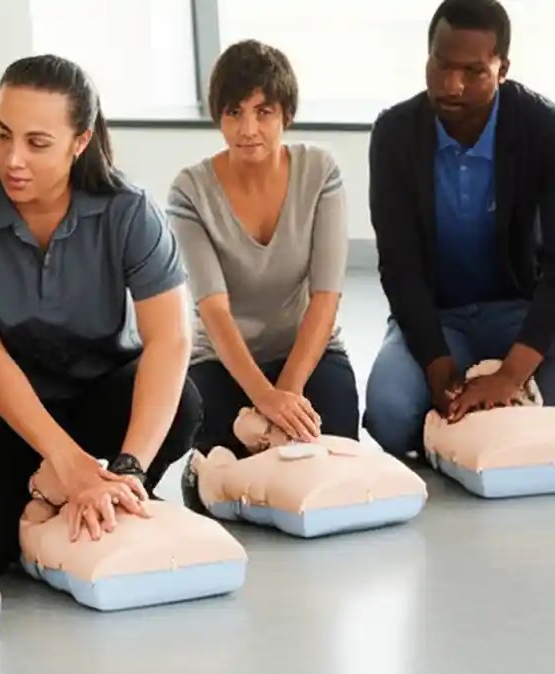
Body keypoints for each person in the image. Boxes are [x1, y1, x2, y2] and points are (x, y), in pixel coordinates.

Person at [0, 54, 202, 579]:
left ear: (80, 141)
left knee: (182, 403)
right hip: (7, 406)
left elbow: (170, 341)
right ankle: (51, 486)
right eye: (2, 135)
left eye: (37, 142)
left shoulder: (129, 209)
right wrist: (67, 465)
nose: (13, 159)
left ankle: (114, 490)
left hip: (100, 394)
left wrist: (127, 466)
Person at [364, 0, 555, 457]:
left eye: (473, 72)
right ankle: (478, 430)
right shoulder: (394, 134)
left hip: (521, 312)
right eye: (441, 65)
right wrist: (435, 362)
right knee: (389, 415)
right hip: (438, 317)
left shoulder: (542, 129)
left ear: (502, 68)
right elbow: (399, 266)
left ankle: (492, 423)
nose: (452, 85)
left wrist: (510, 376)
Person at [167, 39, 357, 460]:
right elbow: (212, 311)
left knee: (335, 444)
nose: (247, 129)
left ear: (286, 115)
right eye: (234, 112)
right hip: (222, 361)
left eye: (263, 112)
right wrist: (265, 399)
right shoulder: (190, 190)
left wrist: (286, 393)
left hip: (306, 351)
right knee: (225, 456)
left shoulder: (319, 171)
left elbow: (326, 297)